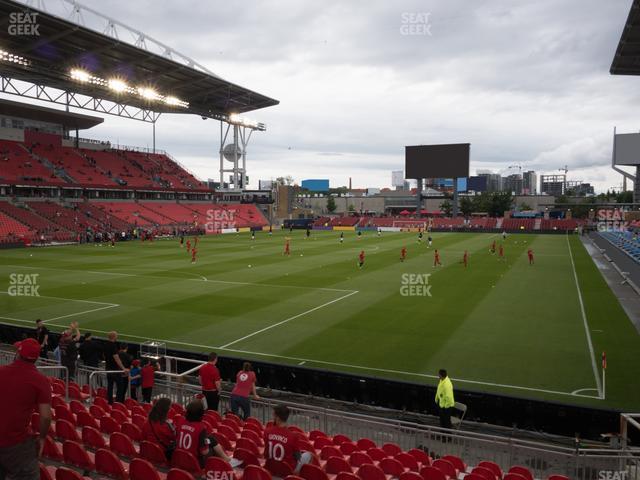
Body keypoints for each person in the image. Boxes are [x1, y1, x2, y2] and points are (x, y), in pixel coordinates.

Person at [0, 338, 52, 480]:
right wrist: (42, 438)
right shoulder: (40, 380)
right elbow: (46, 416)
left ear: (18, 353)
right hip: (16, 445)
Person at [175, 400, 235, 468]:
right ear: (201, 413)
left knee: (211, 439)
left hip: (179, 458)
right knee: (213, 448)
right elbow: (204, 452)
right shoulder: (201, 428)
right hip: (194, 462)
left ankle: (226, 459)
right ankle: (226, 462)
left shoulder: (180, 422)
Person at [264, 405, 313, 474]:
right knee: (309, 455)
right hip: (287, 470)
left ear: (277, 418)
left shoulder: (267, 431)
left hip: (270, 466)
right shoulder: (293, 436)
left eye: (274, 416)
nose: (273, 418)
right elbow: (298, 457)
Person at [104, 331, 127, 404]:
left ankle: (110, 402)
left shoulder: (106, 344)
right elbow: (116, 358)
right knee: (120, 386)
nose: (117, 337)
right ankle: (118, 402)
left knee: (110, 385)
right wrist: (123, 368)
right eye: (116, 335)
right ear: (113, 337)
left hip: (108, 368)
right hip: (114, 369)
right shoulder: (113, 346)